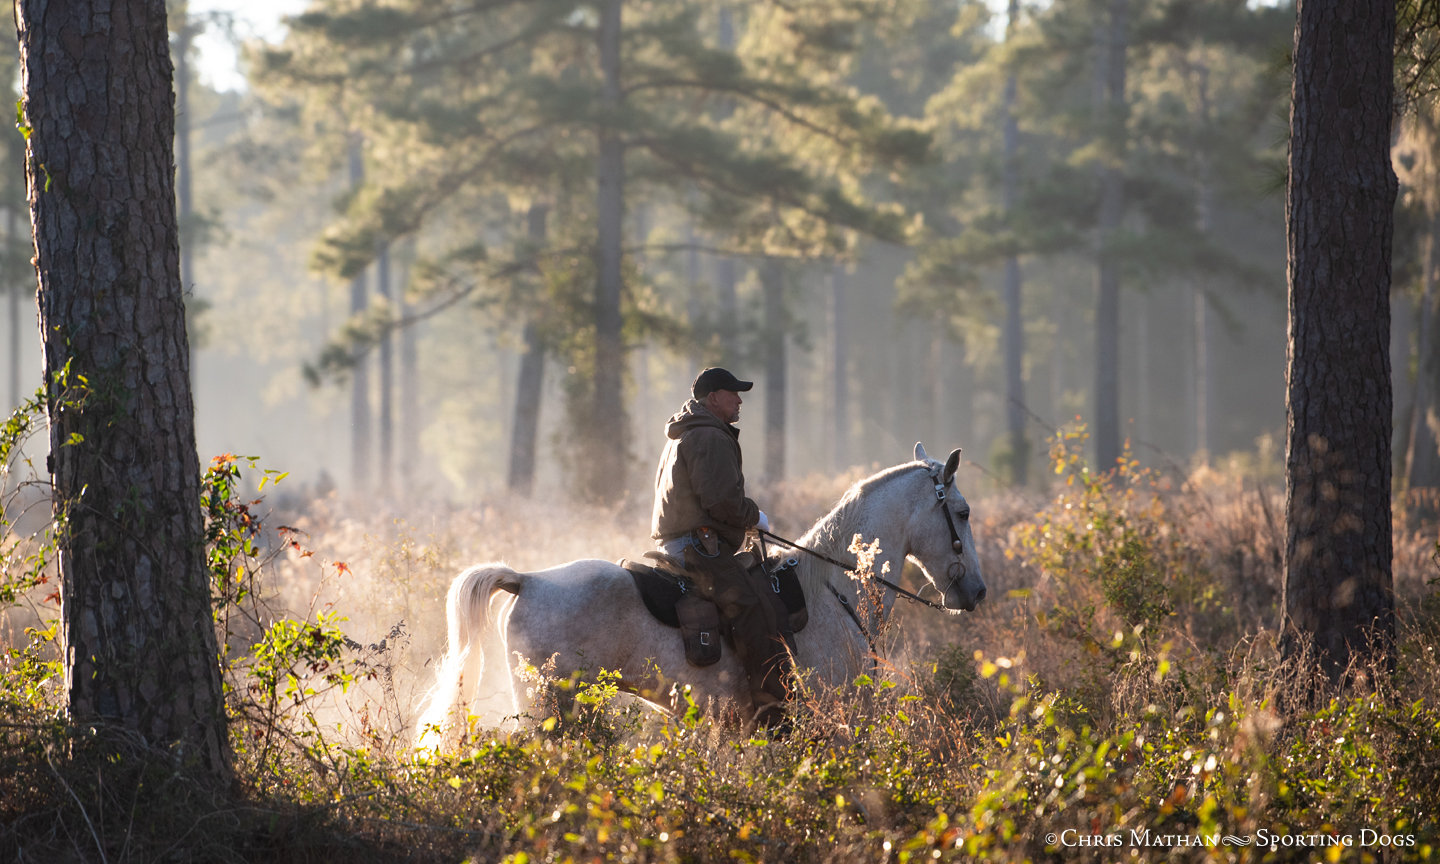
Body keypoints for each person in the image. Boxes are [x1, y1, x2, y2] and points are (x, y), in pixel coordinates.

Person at [651, 367, 791, 730]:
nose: (740, 400)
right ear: (713, 398)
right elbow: (720, 501)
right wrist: (754, 517)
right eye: (733, 393)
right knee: (751, 606)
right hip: (698, 544)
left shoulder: (685, 432)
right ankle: (770, 712)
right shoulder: (709, 436)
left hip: (679, 540)